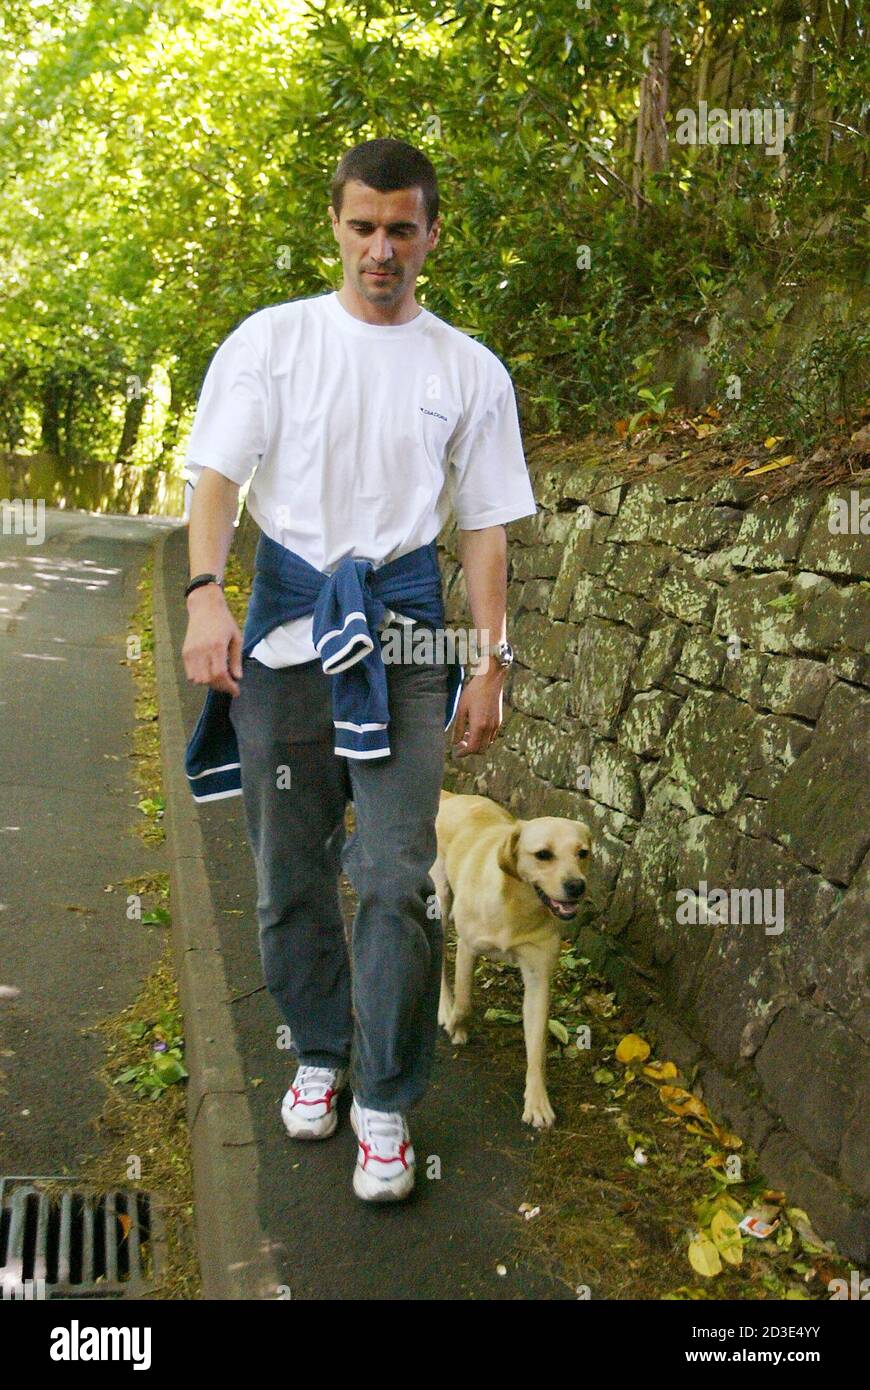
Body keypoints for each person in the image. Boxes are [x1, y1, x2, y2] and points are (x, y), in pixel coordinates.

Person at [180, 137, 537, 1202]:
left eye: (401, 228)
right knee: (291, 876)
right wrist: (207, 594)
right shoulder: (272, 343)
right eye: (363, 226)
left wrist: (491, 661)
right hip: (288, 640)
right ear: (335, 225)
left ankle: (385, 1100)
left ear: (432, 233)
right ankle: (320, 1052)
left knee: (390, 874)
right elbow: (215, 479)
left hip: (409, 644)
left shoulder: (468, 368)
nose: (381, 248)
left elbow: (483, 531)